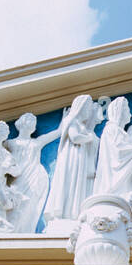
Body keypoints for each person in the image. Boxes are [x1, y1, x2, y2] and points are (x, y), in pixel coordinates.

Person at [41, 96, 102, 225]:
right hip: (72, 158)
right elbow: (75, 138)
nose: (88, 111)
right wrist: (89, 138)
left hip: (81, 158)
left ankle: (75, 213)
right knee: (70, 181)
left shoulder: (82, 125)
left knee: (77, 183)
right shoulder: (72, 120)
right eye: (87, 108)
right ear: (80, 107)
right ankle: (64, 213)